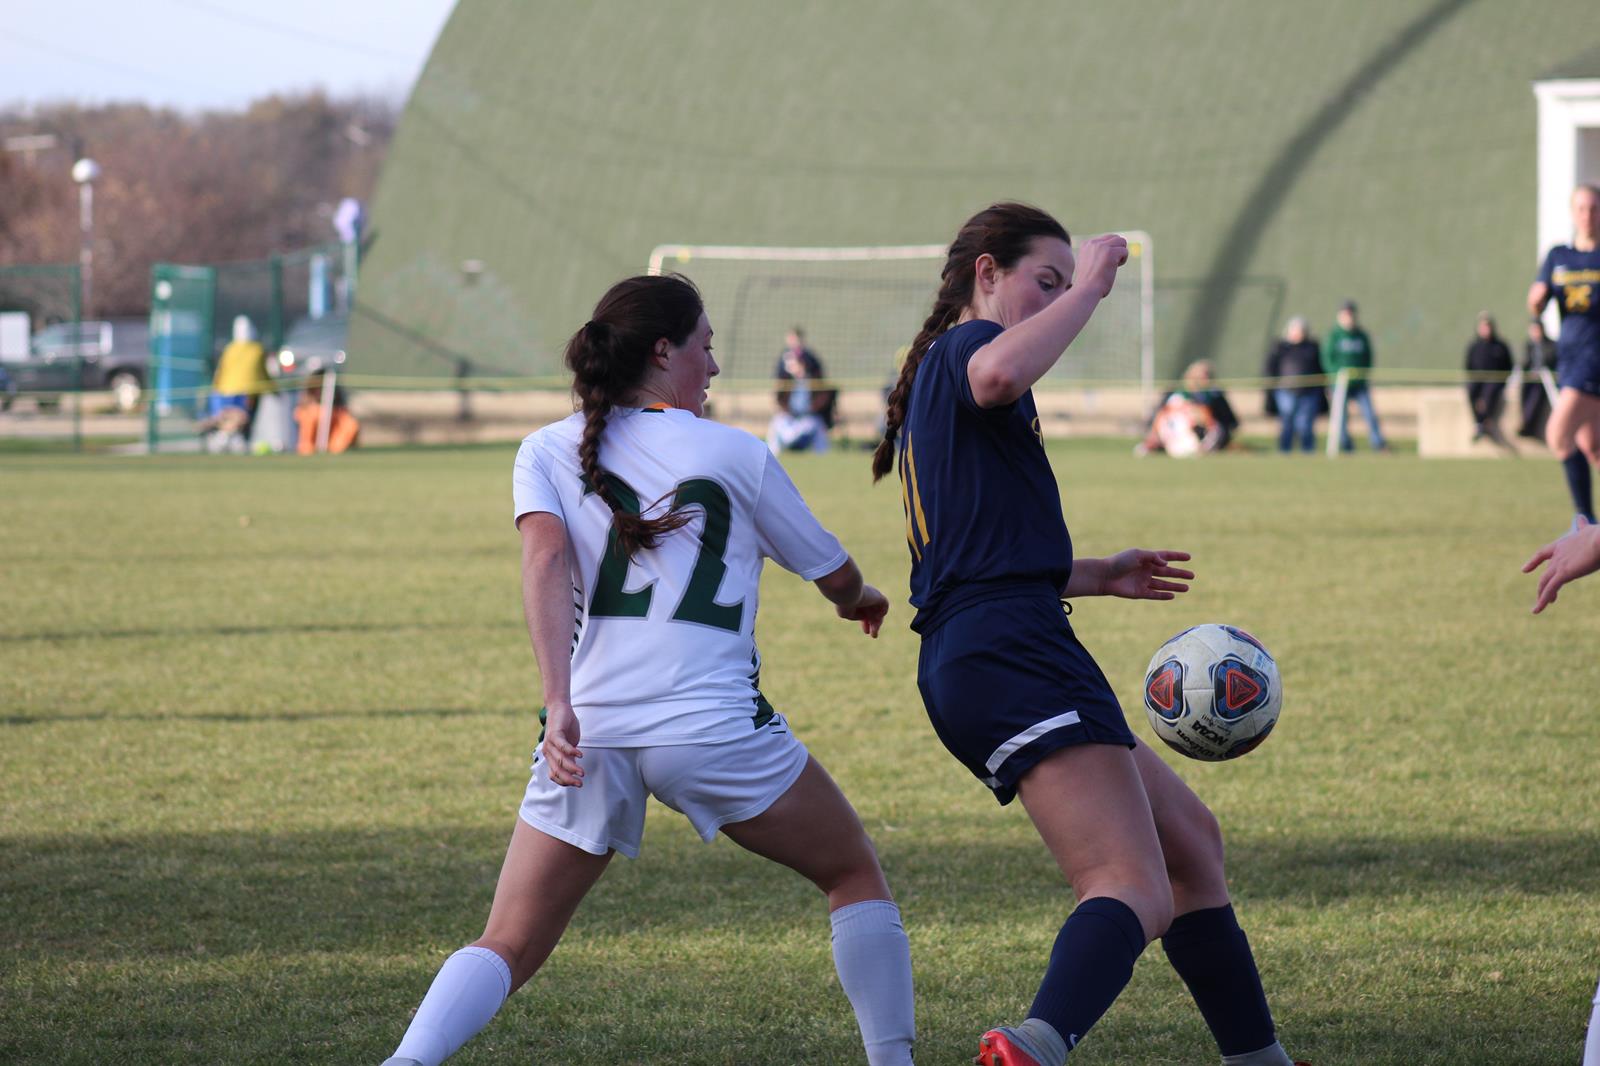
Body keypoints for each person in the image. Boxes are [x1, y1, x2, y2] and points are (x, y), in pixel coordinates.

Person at [380, 275, 914, 1066]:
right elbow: (833, 573)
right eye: (707, 348)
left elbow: (544, 558)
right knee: (852, 872)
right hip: (712, 730)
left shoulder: (545, 448)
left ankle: (407, 1062)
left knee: (509, 941)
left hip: (588, 732)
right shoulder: (735, 451)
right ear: (664, 351)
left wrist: (556, 702)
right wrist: (858, 598)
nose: (716, 368)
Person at [870, 203, 1305, 1066]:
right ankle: (1034, 1045)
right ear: (985, 274)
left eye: (1068, 284)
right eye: (1046, 281)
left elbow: (971, 553)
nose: (1060, 300)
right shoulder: (966, 356)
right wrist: (1099, 283)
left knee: (1189, 851)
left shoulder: (947, 375)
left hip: (1001, 641)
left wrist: (1093, 573)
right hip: (1009, 652)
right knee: (1128, 884)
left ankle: (1262, 1060)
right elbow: (997, 374)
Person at [1529, 184, 1600, 528]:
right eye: (1582, 209)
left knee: (1558, 433)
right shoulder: (1558, 255)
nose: (1588, 216)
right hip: (1568, 361)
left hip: (1594, 360)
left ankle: (1584, 521)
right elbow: (1536, 299)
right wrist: (1537, 299)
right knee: (1593, 446)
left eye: (1594, 209)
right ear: (1573, 212)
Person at [1133, 359, 1239, 456]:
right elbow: (1160, 414)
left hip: (1200, 435)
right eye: (1197, 378)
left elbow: (1229, 422)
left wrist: (1205, 420)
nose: (1201, 382)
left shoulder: (1214, 396)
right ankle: (1152, 445)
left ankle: (1201, 448)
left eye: (1205, 378)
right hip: (1174, 433)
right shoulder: (1174, 394)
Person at [1321, 299, 1387, 452]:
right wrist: (1335, 375)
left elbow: (1368, 357)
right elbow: (1327, 359)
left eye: (1350, 314)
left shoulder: (1361, 335)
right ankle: (1346, 446)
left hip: (1360, 384)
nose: (1348, 317)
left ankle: (1379, 444)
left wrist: (1364, 373)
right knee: (1341, 417)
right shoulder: (1333, 335)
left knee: (1370, 414)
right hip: (1340, 384)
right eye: (1345, 314)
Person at [199, 315, 271, 452]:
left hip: (225, 390)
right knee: (242, 420)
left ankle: (225, 441)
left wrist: (216, 388)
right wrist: (274, 390)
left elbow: (221, 370)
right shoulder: (258, 349)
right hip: (247, 392)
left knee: (226, 420)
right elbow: (263, 373)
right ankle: (237, 442)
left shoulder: (230, 349)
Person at [768, 326, 835, 453]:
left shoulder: (812, 369)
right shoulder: (785, 378)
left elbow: (823, 395)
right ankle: (772, 455)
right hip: (790, 418)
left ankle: (823, 456)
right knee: (778, 424)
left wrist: (812, 409)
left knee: (816, 425)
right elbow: (779, 396)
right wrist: (785, 410)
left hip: (807, 418)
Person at [1263, 316, 1323, 453]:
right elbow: (1269, 368)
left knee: (1305, 426)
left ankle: (1308, 454)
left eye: (1301, 330)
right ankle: (1284, 453)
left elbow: (1320, 369)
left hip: (1308, 393)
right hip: (1286, 392)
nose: (1298, 333)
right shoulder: (1280, 347)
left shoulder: (1312, 347)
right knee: (1287, 425)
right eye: (1295, 329)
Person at [1463, 312, 1513, 445]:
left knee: (1490, 392)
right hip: (1478, 380)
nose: (1486, 329)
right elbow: (1468, 366)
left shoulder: (1500, 346)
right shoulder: (1474, 346)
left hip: (1495, 381)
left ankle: (1483, 423)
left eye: (1488, 326)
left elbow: (1509, 366)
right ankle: (1480, 423)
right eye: (1483, 326)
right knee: (1471, 390)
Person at [292, 366, 360, 454]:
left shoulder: (336, 390)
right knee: (312, 416)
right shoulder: (308, 392)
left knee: (350, 424)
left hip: (333, 416)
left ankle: (335, 448)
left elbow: (343, 409)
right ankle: (307, 449)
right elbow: (302, 407)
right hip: (313, 416)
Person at [1520, 318, 1558, 440]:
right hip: (1530, 380)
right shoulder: (1529, 345)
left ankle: (1528, 425)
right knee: (1525, 391)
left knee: (1536, 394)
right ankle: (1525, 422)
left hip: (1547, 381)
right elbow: (1524, 363)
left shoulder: (1551, 345)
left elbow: (1552, 362)